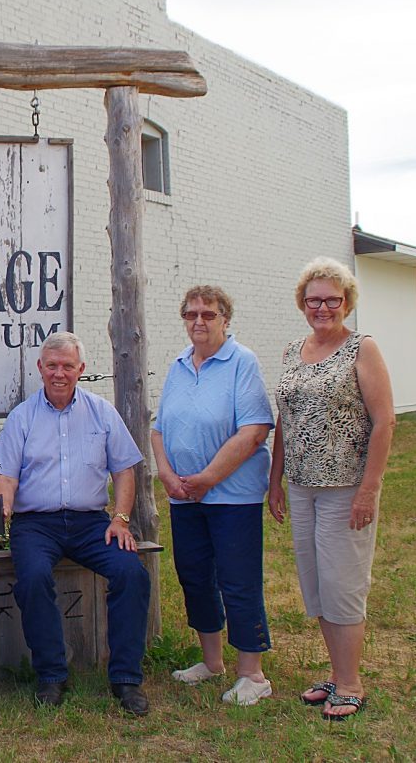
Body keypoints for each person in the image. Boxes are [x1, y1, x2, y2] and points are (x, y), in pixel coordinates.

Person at [0, 332, 152, 716]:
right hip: (35, 525)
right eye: (52, 366)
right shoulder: (22, 417)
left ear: (81, 369)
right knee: (31, 578)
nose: (59, 373)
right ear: (40, 368)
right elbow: (5, 477)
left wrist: (121, 519)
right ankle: (51, 675)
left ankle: (126, 679)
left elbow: (124, 471)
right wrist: (0, 516)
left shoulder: (102, 412)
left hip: (91, 523)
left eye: (67, 366)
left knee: (132, 573)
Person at [269, 258, 395, 721]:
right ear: (303, 303)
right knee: (317, 584)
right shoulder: (292, 351)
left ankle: (351, 683)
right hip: (302, 487)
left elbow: (385, 421)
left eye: (332, 300)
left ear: (347, 303)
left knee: (343, 583)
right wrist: (275, 480)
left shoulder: (362, 348)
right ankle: (337, 672)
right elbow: (287, 419)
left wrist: (369, 490)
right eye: (314, 299)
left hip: (345, 487)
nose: (322, 307)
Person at [151, 286, 275, 706]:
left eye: (209, 314)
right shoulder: (179, 366)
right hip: (184, 496)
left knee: (238, 582)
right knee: (195, 577)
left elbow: (254, 429)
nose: (199, 322)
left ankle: (253, 674)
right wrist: (166, 474)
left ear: (226, 319)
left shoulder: (242, 362)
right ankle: (212, 662)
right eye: (191, 315)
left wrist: (207, 477)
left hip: (232, 497)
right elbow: (158, 428)